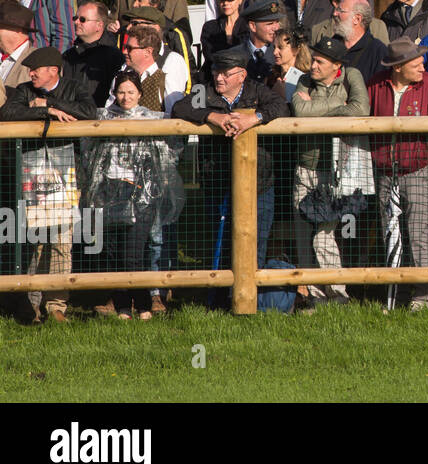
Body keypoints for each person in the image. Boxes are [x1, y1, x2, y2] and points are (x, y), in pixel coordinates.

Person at [172, 45, 288, 280]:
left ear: (242, 75)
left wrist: (254, 118)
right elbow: (179, 107)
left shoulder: (257, 91)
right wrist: (211, 116)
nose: (219, 77)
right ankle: (220, 296)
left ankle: (251, 295)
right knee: (219, 238)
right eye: (216, 71)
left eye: (226, 73)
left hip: (259, 182)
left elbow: (281, 107)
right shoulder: (205, 92)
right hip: (217, 180)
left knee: (256, 237)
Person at [0, 47, 96, 323]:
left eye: (36, 69)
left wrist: (52, 106)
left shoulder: (74, 88)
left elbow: (89, 112)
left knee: (61, 241)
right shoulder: (22, 90)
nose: (31, 73)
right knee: (34, 241)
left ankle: (57, 305)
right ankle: (32, 303)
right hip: (31, 175)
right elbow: (7, 114)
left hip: (66, 174)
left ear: (53, 70)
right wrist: (45, 111)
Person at [82, 69, 185, 319]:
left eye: (130, 92)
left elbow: (170, 151)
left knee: (135, 250)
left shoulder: (153, 119)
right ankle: (122, 306)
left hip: (142, 191)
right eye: (121, 92)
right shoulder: (103, 118)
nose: (126, 97)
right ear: (114, 94)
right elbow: (88, 151)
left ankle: (142, 304)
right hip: (110, 189)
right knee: (115, 251)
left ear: (139, 93)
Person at [367, 37, 428, 309]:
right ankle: (395, 293)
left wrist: (427, 152)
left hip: (417, 168)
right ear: (398, 67)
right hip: (384, 169)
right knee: (389, 230)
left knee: (418, 230)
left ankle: (424, 293)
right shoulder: (376, 85)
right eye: (415, 64)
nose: (422, 67)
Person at [290, 35, 371, 306]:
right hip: (306, 165)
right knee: (304, 232)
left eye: (320, 62)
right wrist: (340, 108)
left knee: (324, 233)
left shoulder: (352, 76)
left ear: (336, 66)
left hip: (337, 170)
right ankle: (315, 295)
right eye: (313, 59)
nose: (313, 65)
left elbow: (361, 108)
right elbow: (300, 112)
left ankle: (337, 292)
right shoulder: (304, 81)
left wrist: (317, 109)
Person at [62, 1, 124, 108]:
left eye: (82, 20)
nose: (76, 22)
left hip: (100, 120)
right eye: (75, 18)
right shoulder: (68, 56)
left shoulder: (113, 56)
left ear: (99, 25)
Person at [200, 0, 249, 77]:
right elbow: (210, 55)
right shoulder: (210, 27)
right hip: (213, 76)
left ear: (240, 0)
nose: (226, 3)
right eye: (222, 0)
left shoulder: (248, 26)